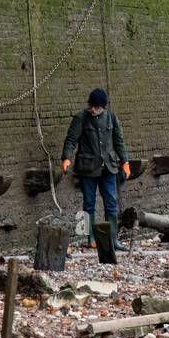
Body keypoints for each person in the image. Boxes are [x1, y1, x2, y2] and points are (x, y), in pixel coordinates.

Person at [61, 88, 129, 255]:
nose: (93, 109)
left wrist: (125, 162)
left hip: (109, 167)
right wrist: (66, 158)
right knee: (88, 204)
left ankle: (113, 239)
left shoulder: (111, 117)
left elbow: (119, 141)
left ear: (103, 107)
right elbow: (70, 140)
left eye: (97, 107)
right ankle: (89, 238)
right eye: (91, 105)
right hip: (87, 168)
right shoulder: (80, 118)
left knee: (111, 204)